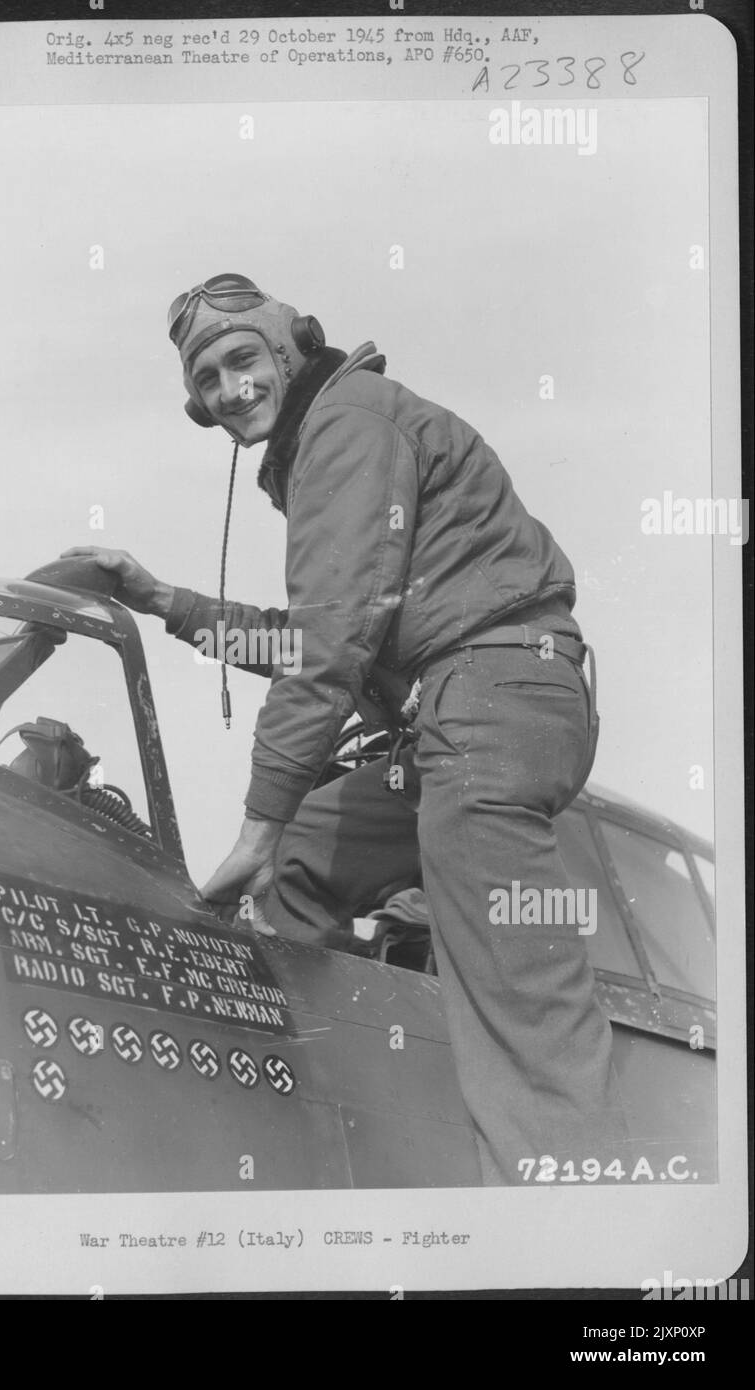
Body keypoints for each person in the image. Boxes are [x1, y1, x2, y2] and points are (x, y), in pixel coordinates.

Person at [64, 273, 627, 1184]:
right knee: (292, 878)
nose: (230, 388)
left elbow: (327, 646)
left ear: (287, 349)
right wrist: (162, 600)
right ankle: (295, 1154)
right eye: (208, 379)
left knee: (517, 992)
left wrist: (258, 820)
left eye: (243, 359)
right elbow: (319, 638)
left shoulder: (347, 426)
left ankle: (571, 1249)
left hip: (491, 702)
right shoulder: (323, 437)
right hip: (453, 718)